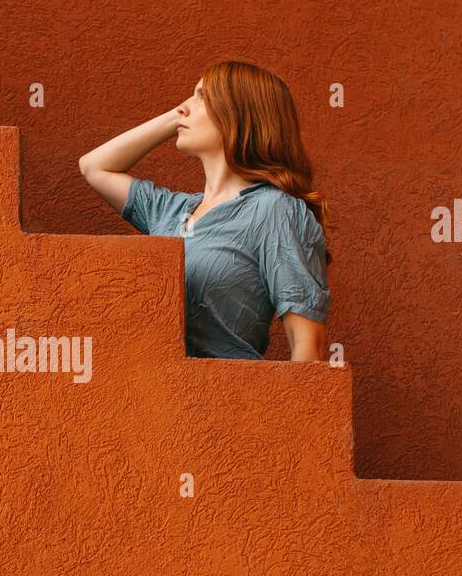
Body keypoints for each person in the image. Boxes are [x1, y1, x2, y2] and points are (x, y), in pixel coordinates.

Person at [79, 60, 332, 362]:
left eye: (203, 97)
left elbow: (308, 348)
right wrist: (176, 118)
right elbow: (94, 167)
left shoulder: (274, 209)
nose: (183, 108)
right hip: (159, 397)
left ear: (238, 114)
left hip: (227, 399)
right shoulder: (173, 211)